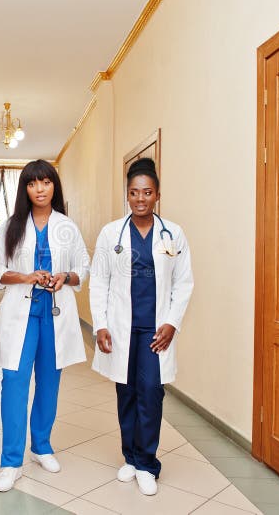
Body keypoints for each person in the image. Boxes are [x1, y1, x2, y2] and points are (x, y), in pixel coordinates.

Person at [89, 158, 193, 496]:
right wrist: (101, 324)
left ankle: (147, 463)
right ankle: (130, 458)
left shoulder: (173, 233)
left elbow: (184, 282)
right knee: (126, 392)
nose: (140, 199)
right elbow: (99, 281)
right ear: (127, 195)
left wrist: (172, 322)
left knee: (150, 393)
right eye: (134, 192)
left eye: (147, 192)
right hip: (122, 327)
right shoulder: (111, 233)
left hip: (154, 330)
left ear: (157, 195)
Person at [0, 159, 90, 492]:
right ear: (25, 189)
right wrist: (25, 276)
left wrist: (65, 277)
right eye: (32, 183)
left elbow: (83, 266)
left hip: (54, 313)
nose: (40, 189)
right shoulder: (11, 226)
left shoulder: (66, 226)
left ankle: (41, 446)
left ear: (54, 185)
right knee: (14, 383)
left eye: (45, 182)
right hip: (21, 312)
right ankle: (10, 460)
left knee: (48, 383)